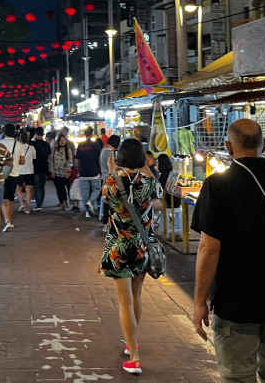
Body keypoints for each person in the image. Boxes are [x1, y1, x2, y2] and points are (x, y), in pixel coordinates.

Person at [191, 119, 265, 383]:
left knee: (238, 376)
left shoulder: (217, 185)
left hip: (237, 302)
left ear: (227, 147)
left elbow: (209, 248)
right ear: (264, 145)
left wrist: (199, 302)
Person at [99, 138, 163, 375]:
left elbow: (109, 202)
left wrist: (110, 171)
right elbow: (159, 204)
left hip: (119, 245)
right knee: (136, 296)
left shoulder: (112, 181)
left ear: (120, 157)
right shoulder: (149, 182)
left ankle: (134, 357)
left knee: (124, 301)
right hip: (142, 246)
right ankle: (130, 342)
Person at [0, 124, 26, 230]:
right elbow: (22, 161)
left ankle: (6, 220)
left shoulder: (0, 143)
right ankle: (9, 221)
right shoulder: (19, 144)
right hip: (14, 174)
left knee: (3, 198)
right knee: (10, 198)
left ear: (4, 132)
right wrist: (15, 161)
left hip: (1, 174)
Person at [76, 127, 103, 219]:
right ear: (92, 134)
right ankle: (91, 202)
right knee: (97, 189)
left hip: (83, 172)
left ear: (85, 133)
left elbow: (77, 160)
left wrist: (78, 170)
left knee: (85, 193)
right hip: (94, 172)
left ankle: (88, 213)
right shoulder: (96, 145)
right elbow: (99, 159)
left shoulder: (80, 145)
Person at [15, 128, 37, 214]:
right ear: (27, 139)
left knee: (18, 188)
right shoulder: (32, 148)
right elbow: (34, 158)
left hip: (19, 171)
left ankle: (22, 204)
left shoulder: (16, 147)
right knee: (29, 189)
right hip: (29, 170)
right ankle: (27, 207)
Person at [99, 135, 120, 222]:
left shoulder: (103, 150)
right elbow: (115, 167)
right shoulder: (110, 152)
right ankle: (105, 219)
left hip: (104, 177)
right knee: (108, 200)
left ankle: (102, 217)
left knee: (104, 198)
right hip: (109, 178)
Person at [51, 133, 75, 210]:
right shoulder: (54, 149)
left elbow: (70, 161)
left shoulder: (68, 150)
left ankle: (70, 202)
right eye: (61, 140)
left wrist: (68, 171)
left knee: (68, 188)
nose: (62, 142)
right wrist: (52, 171)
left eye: (63, 140)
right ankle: (63, 202)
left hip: (66, 173)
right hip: (57, 172)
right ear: (58, 141)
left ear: (66, 141)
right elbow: (51, 160)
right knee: (59, 189)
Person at [31, 127, 51, 211]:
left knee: (36, 186)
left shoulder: (32, 144)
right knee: (41, 186)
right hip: (44, 168)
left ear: (36, 134)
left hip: (35, 168)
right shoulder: (46, 144)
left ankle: (38, 204)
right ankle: (40, 203)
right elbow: (48, 155)